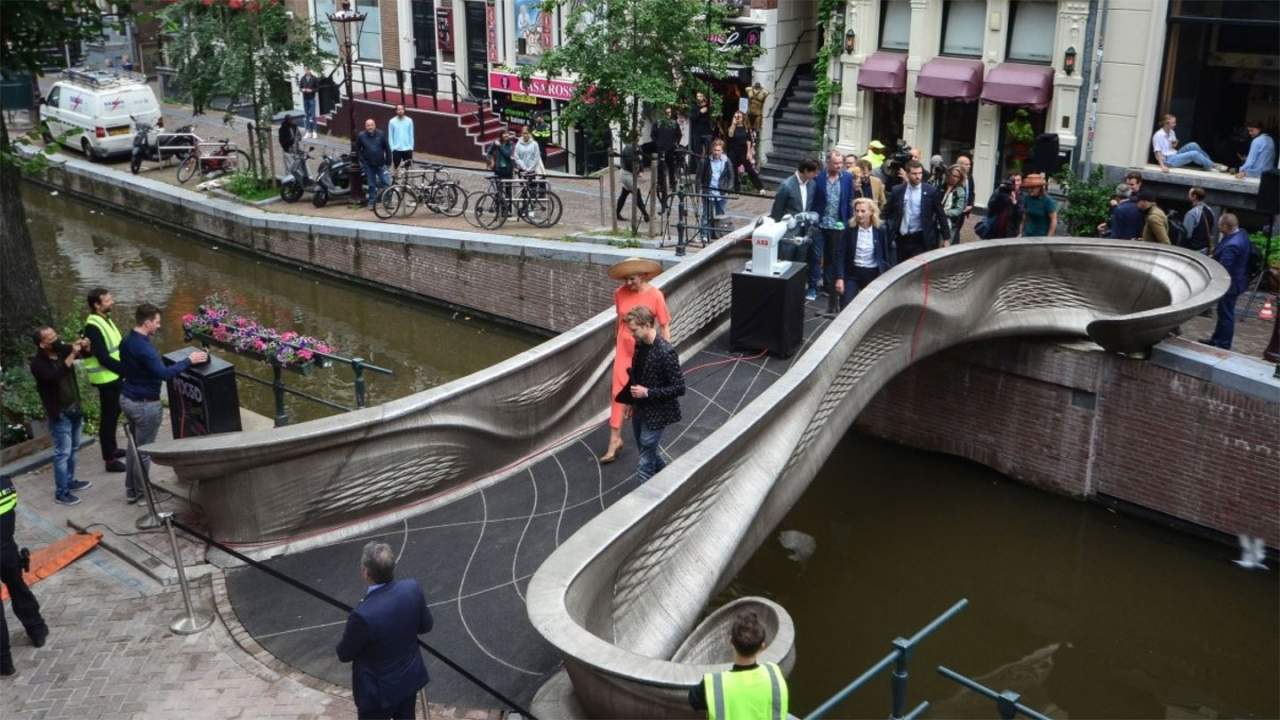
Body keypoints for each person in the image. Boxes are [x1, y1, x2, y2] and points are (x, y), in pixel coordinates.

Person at [120, 305, 208, 505]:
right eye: (157, 322)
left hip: (127, 398)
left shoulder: (127, 340)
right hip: (144, 405)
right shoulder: (145, 348)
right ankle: (143, 494)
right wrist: (189, 360)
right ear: (147, 322)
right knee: (144, 451)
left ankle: (131, 490)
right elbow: (164, 374)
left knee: (133, 446)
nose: (159, 326)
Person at [336, 542, 433, 720]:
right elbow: (426, 626)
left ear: (366, 573)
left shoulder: (362, 614)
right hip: (407, 680)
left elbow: (344, 653)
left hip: (377, 693)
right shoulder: (412, 588)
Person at [602, 258, 670, 464]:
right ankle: (614, 439)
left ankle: (647, 438)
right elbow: (619, 319)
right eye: (625, 279)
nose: (628, 283)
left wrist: (665, 354)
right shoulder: (620, 293)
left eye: (632, 279)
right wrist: (616, 341)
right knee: (617, 392)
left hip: (645, 349)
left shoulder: (655, 295)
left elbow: (665, 325)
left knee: (641, 391)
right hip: (624, 348)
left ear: (642, 276)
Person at [29, 327, 94, 506]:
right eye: (51, 338)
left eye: (56, 335)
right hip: (60, 413)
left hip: (75, 408)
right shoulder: (37, 364)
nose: (56, 339)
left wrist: (85, 347)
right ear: (43, 344)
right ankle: (61, 492)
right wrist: (72, 354)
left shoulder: (62, 350)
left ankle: (70, 481)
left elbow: (85, 355)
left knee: (73, 448)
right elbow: (54, 377)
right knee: (62, 453)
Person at [619, 305, 684, 482]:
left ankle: (645, 502)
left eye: (634, 330)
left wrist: (647, 392)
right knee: (646, 449)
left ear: (647, 324)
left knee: (645, 459)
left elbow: (679, 387)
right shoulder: (639, 345)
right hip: (641, 409)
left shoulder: (666, 352)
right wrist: (630, 402)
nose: (631, 334)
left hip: (658, 412)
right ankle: (669, 478)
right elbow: (636, 377)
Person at [688, 611, 788, 720]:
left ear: (730, 643)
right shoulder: (774, 675)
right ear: (762, 647)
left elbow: (693, 700)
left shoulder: (714, 684)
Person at [1, 475, 49, 677]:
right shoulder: (5, 484)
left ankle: (4, 663)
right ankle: (37, 630)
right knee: (18, 587)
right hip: (7, 549)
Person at [82, 288, 127, 474]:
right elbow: (102, 356)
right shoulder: (93, 326)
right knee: (108, 419)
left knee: (114, 414)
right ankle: (109, 459)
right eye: (107, 300)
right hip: (106, 378)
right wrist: (125, 370)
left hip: (114, 376)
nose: (112, 302)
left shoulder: (104, 319)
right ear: (97, 305)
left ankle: (113, 449)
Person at [809, 149, 855, 311]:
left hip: (838, 224)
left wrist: (849, 221)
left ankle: (829, 285)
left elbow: (849, 199)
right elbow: (813, 198)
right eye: (835, 163)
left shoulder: (848, 178)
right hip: (821, 223)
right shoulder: (819, 177)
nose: (838, 166)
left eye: (840, 163)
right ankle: (813, 286)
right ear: (828, 163)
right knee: (816, 255)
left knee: (834, 255)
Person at [1201, 214, 1251, 350]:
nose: (1218, 227)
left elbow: (1223, 268)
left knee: (1226, 314)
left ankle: (1223, 344)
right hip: (1237, 280)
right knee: (1224, 312)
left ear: (1225, 226)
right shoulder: (1241, 234)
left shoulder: (1232, 245)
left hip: (1231, 285)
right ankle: (1217, 339)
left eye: (1219, 224)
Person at [883, 160, 947, 263]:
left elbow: (941, 215)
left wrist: (946, 238)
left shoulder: (930, 191)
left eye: (920, 173)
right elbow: (886, 211)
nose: (918, 177)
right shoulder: (897, 190)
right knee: (901, 267)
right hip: (901, 237)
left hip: (920, 238)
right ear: (907, 174)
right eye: (914, 174)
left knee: (916, 267)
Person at [834, 198, 892, 310]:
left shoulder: (880, 230)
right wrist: (840, 278)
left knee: (870, 308)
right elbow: (840, 254)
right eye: (857, 211)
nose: (859, 214)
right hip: (853, 273)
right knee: (846, 306)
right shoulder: (850, 229)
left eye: (863, 211)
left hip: (872, 273)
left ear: (871, 212)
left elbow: (885, 254)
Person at [769, 158, 819, 263]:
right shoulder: (786, 186)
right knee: (785, 263)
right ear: (805, 171)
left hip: (804, 232)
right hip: (788, 233)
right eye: (814, 172)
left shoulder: (812, 185)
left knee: (800, 264)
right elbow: (777, 211)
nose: (816, 174)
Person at [355, 118, 392, 210]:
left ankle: (388, 202)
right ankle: (372, 202)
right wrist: (362, 160)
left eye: (371, 125)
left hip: (381, 164)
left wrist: (388, 161)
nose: (370, 127)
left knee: (386, 182)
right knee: (371, 184)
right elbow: (357, 149)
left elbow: (387, 148)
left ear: (375, 125)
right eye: (368, 125)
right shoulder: (361, 136)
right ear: (365, 126)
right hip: (368, 165)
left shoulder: (381, 134)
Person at [651, 107, 683, 211]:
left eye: (669, 112)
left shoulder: (674, 123)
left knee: (671, 167)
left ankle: (672, 182)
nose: (668, 114)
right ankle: (661, 185)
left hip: (671, 149)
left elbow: (679, 135)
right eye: (666, 112)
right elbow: (653, 135)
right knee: (661, 168)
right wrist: (658, 143)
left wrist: (675, 143)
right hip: (661, 149)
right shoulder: (658, 123)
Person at [726, 111, 764, 195]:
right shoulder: (732, 127)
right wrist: (733, 124)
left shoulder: (746, 128)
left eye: (738, 116)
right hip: (733, 151)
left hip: (743, 151)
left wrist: (749, 152)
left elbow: (749, 141)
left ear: (743, 118)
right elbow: (730, 135)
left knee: (749, 169)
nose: (737, 118)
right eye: (735, 116)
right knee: (733, 170)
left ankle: (760, 187)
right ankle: (736, 189)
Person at [697, 138, 736, 218]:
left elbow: (731, 176)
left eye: (718, 150)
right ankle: (705, 231)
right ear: (712, 150)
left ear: (722, 151)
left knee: (720, 216)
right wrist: (697, 191)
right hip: (708, 192)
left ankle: (719, 230)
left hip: (721, 193)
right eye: (715, 150)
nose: (716, 152)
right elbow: (699, 177)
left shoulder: (726, 161)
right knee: (706, 216)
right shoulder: (705, 161)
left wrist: (728, 189)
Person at [617, 135, 650, 224]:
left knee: (624, 194)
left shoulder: (638, 148)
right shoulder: (628, 149)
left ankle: (617, 213)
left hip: (631, 174)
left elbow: (641, 160)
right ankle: (646, 215)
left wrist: (641, 170)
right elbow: (629, 163)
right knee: (637, 193)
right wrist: (637, 171)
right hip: (626, 174)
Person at [1018, 173, 1057, 237]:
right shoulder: (1027, 198)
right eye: (1028, 188)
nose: (1030, 190)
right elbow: (1024, 217)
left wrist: (1049, 238)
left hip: (1041, 237)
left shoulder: (1048, 201)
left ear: (1039, 188)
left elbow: (1054, 220)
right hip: (1027, 235)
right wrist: (1020, 232)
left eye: (1033, 188)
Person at [938, 164, 967, 246]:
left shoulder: (960, 191)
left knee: (944, 248)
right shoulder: (941, 186)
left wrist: (943, 212)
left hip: (950, 224)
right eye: (953, 175)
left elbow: (958, 210)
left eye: (957, 177)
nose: (954, 178)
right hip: (936, 222)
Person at [487, 131, 516, 210]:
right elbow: (489, 152)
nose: (506, 135)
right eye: (504, 133)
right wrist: (491, 161)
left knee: (508, 191)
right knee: (499, 190)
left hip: (508, 170)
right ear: (501, 135)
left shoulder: (511, 144)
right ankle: (498, 208)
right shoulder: (495, 143)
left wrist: (500, 146)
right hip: (499, 170)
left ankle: (508, 209)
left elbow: (507, 154)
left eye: (507, 134)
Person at [1183, 186, 1216, 252]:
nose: (1188, 195)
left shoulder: (1192, 213)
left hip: (1193, 251)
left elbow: (1186, 234)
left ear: (1194, 196)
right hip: (1205, 249)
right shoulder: (1210, 211)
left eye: (1189, 194)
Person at [388, 105, 415, 170]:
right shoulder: (392, 121)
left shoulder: (409, 120)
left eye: (402, 109)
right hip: (396, 149)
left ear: (404, 110)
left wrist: (411, 147)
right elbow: (390, 136)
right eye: (398, 109)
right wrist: (392, 148)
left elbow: (411, 134)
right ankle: (396, 179)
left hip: (407, 148)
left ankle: (406, 179)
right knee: (396, 167)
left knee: (407, 168)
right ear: (396, 111)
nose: (400, 111)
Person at [690, 91, 714, 162]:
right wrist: (700, 112)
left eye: (700, 96)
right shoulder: (694, 107)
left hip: (706, 132)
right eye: (697, 96)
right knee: (697, 152)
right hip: (697, 132)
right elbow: (692, 118)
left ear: (703, 97)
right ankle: (699, 168)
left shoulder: (708, 106)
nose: (699, 98)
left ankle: (707, 168)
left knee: (708, 151)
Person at [299, 68, 319, 139]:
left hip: (311, 98)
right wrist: (302, 89)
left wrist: (311, 90)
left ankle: (314, 131)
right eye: (305, 70)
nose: (306, 71)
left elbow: (317, 88)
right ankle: (308, 132)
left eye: (308, 70)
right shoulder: (302, 78)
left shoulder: (314, 78)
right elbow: (300, 87)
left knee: (313, 115)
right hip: (305, 98)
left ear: (310, 70)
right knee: (307, 115)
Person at [956, 153, 976, 221]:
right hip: (956, 209)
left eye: (969, 164)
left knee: (958, 228)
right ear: (960, 165)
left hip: (964, 210)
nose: (969, 166)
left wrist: (970, 205)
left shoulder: (970, 177)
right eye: (966, 164)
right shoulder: (955, 177)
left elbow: (971, 192)